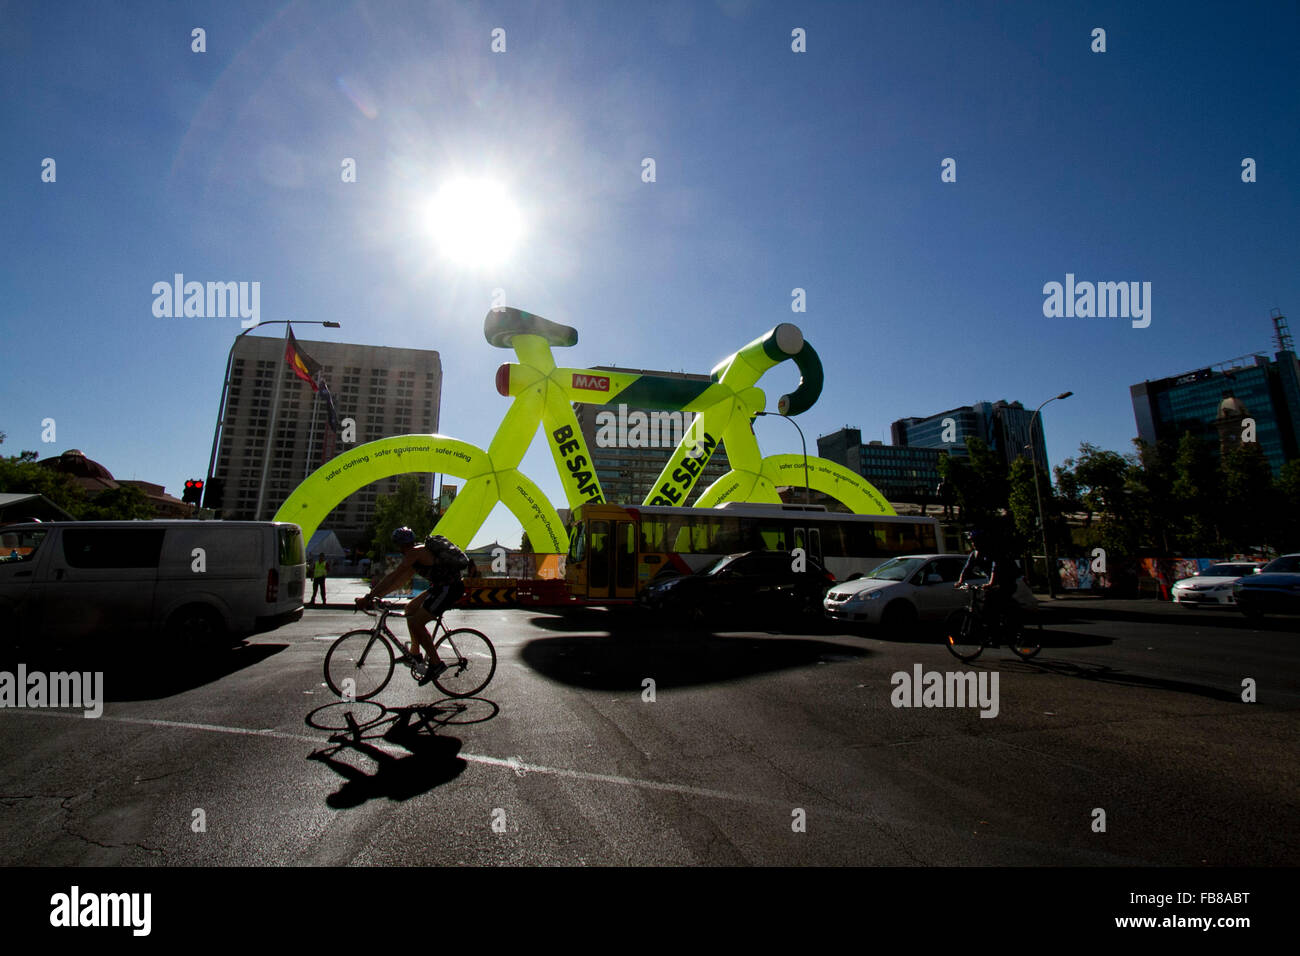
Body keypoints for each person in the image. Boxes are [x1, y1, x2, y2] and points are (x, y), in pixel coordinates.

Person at [357, 528, 468, 685]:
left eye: (398, 545)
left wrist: (368, 597)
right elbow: (398, 582)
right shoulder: (414, 557)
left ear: (400, 544)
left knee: (417, 622)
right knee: (409, 609)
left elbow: (393, 576)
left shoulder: (416, 552)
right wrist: (377, 596)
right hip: (439, 587)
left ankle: (436, 664)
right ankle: (415, 654)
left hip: (450, 588)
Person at [954, 529, 1020, 630]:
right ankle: (992, 630)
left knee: (993, 603)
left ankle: (1005, 629)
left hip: (1006, 580)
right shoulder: (975, 554)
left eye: (975, 541)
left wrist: (990, 583)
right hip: (993, 582)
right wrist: (960, 581)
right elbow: (967, 569)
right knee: (986, 606)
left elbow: (995, 567)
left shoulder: (992, 552)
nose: (973, 544)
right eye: (972, 541)